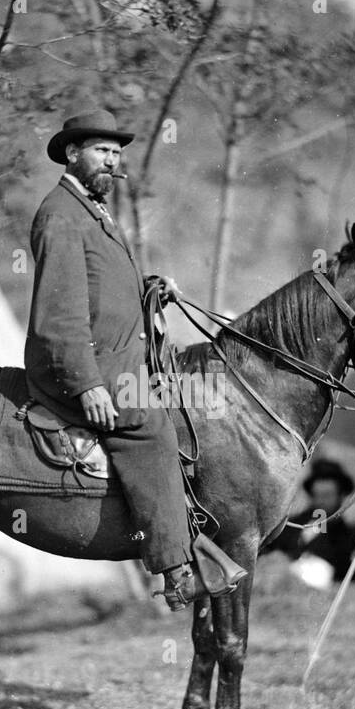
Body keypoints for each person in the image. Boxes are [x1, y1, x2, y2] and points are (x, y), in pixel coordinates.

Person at [24, 109, 244, 610]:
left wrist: (149, 290)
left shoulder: (93, 210)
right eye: (101, 150)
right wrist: (87, 385)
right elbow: (60, 315)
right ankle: (176, 569)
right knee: (149, 425)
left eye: (116, 152)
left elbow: (103, 291)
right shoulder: (60, 214)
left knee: (196, 405)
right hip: (82, 370)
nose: (111, 160)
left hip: (121, 360)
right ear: (72, 153)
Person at [273, 459, 355, 581]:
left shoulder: (345, 533)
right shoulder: (295, 522)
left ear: (340, 496)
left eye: (327, 495)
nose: (320, 501)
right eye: (317, 495)